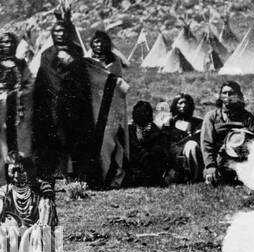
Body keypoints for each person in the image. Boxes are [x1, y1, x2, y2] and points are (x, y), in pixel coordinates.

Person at [31, 15, 95, 185]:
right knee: (53, 138)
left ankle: (73, 175)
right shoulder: (47, 53)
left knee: (73, 138)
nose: (60, 34)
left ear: (68, 32)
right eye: (57, 31)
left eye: (63, 30)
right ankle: (52, 173)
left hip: (73, 103)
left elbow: (81, 78)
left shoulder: (76, 51)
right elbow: (45, 77)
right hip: (52, 103)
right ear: (53, 33)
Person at [0, 152, 61, 252]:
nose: (16, 176)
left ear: (30, 170)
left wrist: (41, 226)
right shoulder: (3, 191)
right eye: (13, 171)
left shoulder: (42, 187)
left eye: (20, 171)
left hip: (35, 237)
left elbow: (46, 208)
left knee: (41, 231)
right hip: (14, 240)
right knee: (3, 230)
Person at [0, 31, 32, 191]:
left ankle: (16, 179)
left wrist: (18, 96)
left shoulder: (21, 63)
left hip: (16, 109)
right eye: (4, 42)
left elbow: (29, 84)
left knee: (16, 145)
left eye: (10, 42)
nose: (7, 45)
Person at [85, 29, 130, 189]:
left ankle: (111, 178)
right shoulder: (87, 62)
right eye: (96, 41)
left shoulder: (115, 60)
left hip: (111, 107)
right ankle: (94, 178)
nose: (99, 45)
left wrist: (111, 80)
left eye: (102, 41)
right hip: (93, 108)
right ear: (92, 43)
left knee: (110, 141)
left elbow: (118, 84)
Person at [201, 81, 254, 186]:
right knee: (214, 180)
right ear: (220, 96)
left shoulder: (247, 117)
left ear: (238, 96)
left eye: (231, 93)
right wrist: (210, 166)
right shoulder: (211, 117)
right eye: (224, 93)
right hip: (218, 160)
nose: (227, 96)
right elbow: (206, 143)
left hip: (241, 158)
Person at [160, 93, 204, 183]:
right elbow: (165, 143)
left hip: (195, 153)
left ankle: (195, 177)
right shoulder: (170, 123)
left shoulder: (198, 122)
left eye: (186, 103)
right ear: (175, 105)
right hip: (175, 155)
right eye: (180, 103)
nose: (183, 105)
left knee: (192, 145)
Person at [125, 100, 169, 187]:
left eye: (146, 111)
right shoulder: (130, 128)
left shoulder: (154, 128)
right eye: (140, 111)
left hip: (151, 162)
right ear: (135, 113)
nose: (143, 114)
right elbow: (132, 145)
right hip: (136, 162)